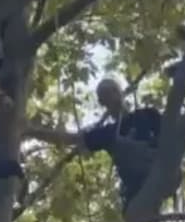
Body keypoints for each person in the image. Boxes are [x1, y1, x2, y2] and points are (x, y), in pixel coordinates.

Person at [30, 79, 164, 211]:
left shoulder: (148, 115)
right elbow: (72, 138)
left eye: (112, 92)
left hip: (159, 170)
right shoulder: (107, 133)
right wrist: (32, 131)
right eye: (105, 97)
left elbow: (170, 133)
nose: (112, 99)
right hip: (136, 188)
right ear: (103, 103)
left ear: (119, 92)